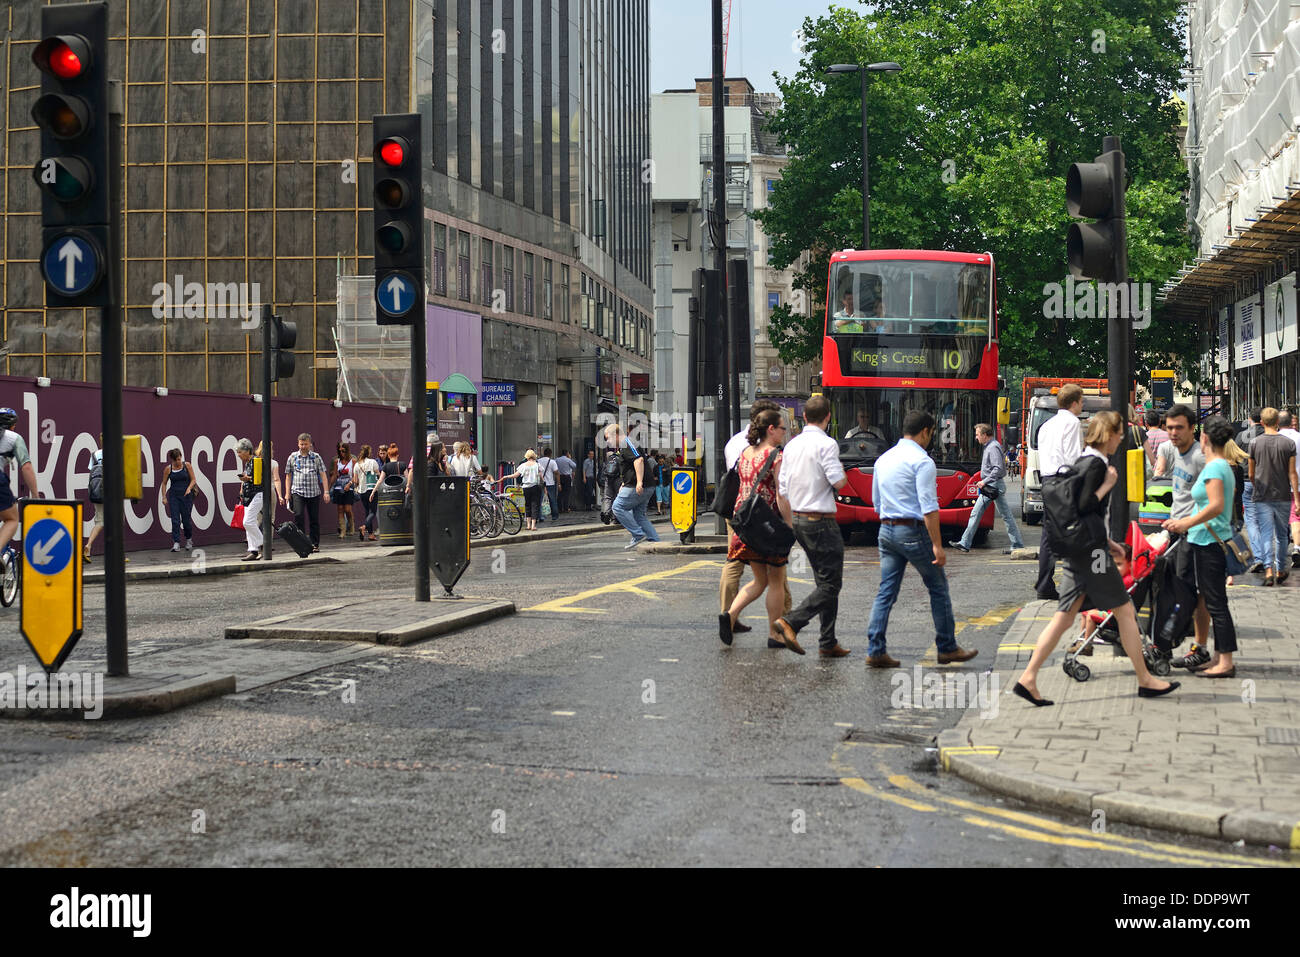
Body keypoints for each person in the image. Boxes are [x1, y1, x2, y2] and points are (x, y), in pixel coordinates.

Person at [1014, 411, 1178, 704]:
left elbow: (1085, 516)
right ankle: (1146, 680)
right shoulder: (1097, 466)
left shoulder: (1082, 460)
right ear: (1109, 434)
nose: (1121, 440)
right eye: (1119, 435)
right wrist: (1108, 485)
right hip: (1092, 556)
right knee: (1125, 610)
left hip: (1086, 551)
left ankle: (1028, 678)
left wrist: (1110, 543)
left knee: (1064, 619)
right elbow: (1087, 504)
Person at [864, 410, 978, 668]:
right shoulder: (923, 462)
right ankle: (947, 647)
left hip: (886, 530)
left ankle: (875, 649)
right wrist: (937, 545)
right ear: (925, 431)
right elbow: (929, 508)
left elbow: (876, 502)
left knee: (886, 592)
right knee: (937, 588)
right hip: (913, 531)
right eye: (931, 433)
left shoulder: (884, 459)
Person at [772, 394, 851, 657]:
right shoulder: (827, 445)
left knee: (824, 581)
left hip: (798, 519)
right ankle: (790, 621)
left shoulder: (791, 446)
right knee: (831, 585)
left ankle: (828, 641)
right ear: (828, 417)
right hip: (821, 521)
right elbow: (838, 482)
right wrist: (840, 471)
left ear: (804, 417)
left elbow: (782, 487)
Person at [1163, 416, 1239, 678]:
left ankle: (1225, 662)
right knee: (1210, 600)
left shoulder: (1216, 467)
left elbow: (1216, 505)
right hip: (1203, 540)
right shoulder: (1217, 465)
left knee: (1216, 603)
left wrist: (1186, 522)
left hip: (1209, 542)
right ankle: (1218, 657)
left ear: (1204, 437)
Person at [721, 409, 798, 651]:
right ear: (771, 429)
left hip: (746, 522)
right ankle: (774, 635)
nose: (785, 433)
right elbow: (781, 495)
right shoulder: (775, 456)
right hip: (768, 524)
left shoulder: (745, 453)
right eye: (783, 429)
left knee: (759, 580)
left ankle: (730, 615)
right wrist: (789, 525)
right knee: (775, 581)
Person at [1153, 404, 1214, 666]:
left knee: (1193, 593)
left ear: (1192, 428)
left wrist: (1188, 523)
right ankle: (1175, 644)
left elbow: (1216, 502)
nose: (1173, 432)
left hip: (1196, 535)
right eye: (1170, 428)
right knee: (1175, 590)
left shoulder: (1201, 458)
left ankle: (1194, 646)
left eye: (1179, 427)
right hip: (1177, 532)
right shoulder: (1175, 451)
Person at [1033, 384, 1085, 600]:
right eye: (1081, 401)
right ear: (1074, 403)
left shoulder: (1046, 425)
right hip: (1064, 480)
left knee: (1049, 533)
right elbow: (1073, 457)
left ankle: (1045, 583)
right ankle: (1077, 583)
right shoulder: (1072, 422)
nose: (1082, 405)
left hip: (1047, 480)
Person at [948, 423, 1026, 554]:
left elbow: (998, 469)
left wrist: (984, 481)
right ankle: (965, 543)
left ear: (985, 435)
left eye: (978, 434)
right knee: (987, 514)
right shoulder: (990, 446)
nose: (976, 437)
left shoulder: (993, 447)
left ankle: (965, 543)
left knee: (997, 515)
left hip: (992, 486)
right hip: (992, 486)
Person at [1247, 407, 1299, 587]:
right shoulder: (1288, 444)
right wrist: (1297, 499)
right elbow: (1292, 473)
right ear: (1277, 422)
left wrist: (1257, 487)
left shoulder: (1254, 443)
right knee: (1282, 536)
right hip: (1283, 494)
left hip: (1262, 495)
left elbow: (1251, 474)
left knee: (1266, 534)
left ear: (1262, 422)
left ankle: (1268, 569)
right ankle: (1280, 569)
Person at [604, 423, 661, 548]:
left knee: (618, 507)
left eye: (608, 438)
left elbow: (638, 460)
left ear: (616, 434)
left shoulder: (626, 443)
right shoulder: (626, 445)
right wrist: (624, 483)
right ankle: (655, 542)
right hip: (644, 485)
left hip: (639, 485)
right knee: (639, 515)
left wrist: (639, 482)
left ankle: (638, 535)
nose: (607, 441)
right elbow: (629, 466)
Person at [0, 408, 40, 559]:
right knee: (12, 519)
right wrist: (35, 495)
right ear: (12, 425)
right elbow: (26, 466)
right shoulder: (13, 437)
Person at [283, 432, 330, 552]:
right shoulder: (292, 457)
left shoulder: (316, 457)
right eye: (301, 444)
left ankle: (314, 544)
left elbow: (323, 474)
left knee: (314, 519)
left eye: (305, 444)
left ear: (310, 444)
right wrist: (287, 493)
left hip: (313, 492)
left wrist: (326, 491)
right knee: (299, 516)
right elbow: (288, 476)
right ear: (298, 444)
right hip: (297, 491)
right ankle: (302, 543)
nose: (303, 446)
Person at [1237, 410, 1265, 573]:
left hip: (1247, 480)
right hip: (1267, 481)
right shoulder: (1271, 435)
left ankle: (1260, 556)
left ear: (1249, 419)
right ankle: (1267, 557)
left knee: (1252, 519)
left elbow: (1235, 457)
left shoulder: (1241, 436)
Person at [235, 438, 265, 561]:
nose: (238, 455)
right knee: (247, 523)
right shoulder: (248, 463)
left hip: (257, 494)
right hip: (248, 496)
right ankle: (253, 550)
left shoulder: (256, 461)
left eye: (240, 452)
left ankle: (262, 542)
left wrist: (248, 479)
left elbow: (258, 479)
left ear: (247, 451)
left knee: (247, 522)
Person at [164, 447, 198, 553]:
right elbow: (164, 483)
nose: (178, 462)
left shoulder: (187, 466)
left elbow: (193, 479)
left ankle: (189, 539)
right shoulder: (168, 469)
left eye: (179, 459)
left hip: (186, 496)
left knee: (186, 520)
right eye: (176, 460)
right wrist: (164, 496)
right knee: (175, 520)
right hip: (174, 496)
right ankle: (176, 543)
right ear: (172, 460)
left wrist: (189, 488)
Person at [500, 450, 543, 531]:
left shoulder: (523, 465)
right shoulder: (537, 465)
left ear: (526, 456)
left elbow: (516, 475)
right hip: (535, 487)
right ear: (534, 456)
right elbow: (541, 476)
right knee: (535, 505)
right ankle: (533, 525)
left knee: (527, 505)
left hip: (526, 487)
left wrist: (506, 476)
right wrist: (544, 484)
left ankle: (528, 525)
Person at [1280, 410, 1300, 567]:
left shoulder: (1275, 439)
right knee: (1295, 516)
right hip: (1297, 483)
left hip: (1278, 484)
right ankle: (1297, 547)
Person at [352, 444, 380, 541]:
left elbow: (355, 481)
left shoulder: (357, 464)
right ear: (369, 453)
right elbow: (379, 475)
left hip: (361, 491)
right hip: (371, 489)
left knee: (367, 512)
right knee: (373, 512)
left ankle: (371, 534)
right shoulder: (373, 462)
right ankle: (364, 527)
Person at [331, 442, 356, 539]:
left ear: (347, 451)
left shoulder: (353, 461)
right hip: (338, 487)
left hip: (348, 487)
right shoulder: (336, 461)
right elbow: (334, 475)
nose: (342, 453)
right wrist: (329, 487)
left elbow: (355, 476)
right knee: (340, 509)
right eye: (340, 451)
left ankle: (351, 526)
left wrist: (349, 484)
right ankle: (342, 531)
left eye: (343, 451)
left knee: (348, 509)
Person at [537, 447, 559, 523]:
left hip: (540, 483)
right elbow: (556, 473)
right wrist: (559, 484)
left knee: (539, 501)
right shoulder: (552, 462)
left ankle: (540, 516)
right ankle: (555, 516)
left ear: (544, 453)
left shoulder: (538, 461)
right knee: (552, 500)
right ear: (550, 454)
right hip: (550, 483)